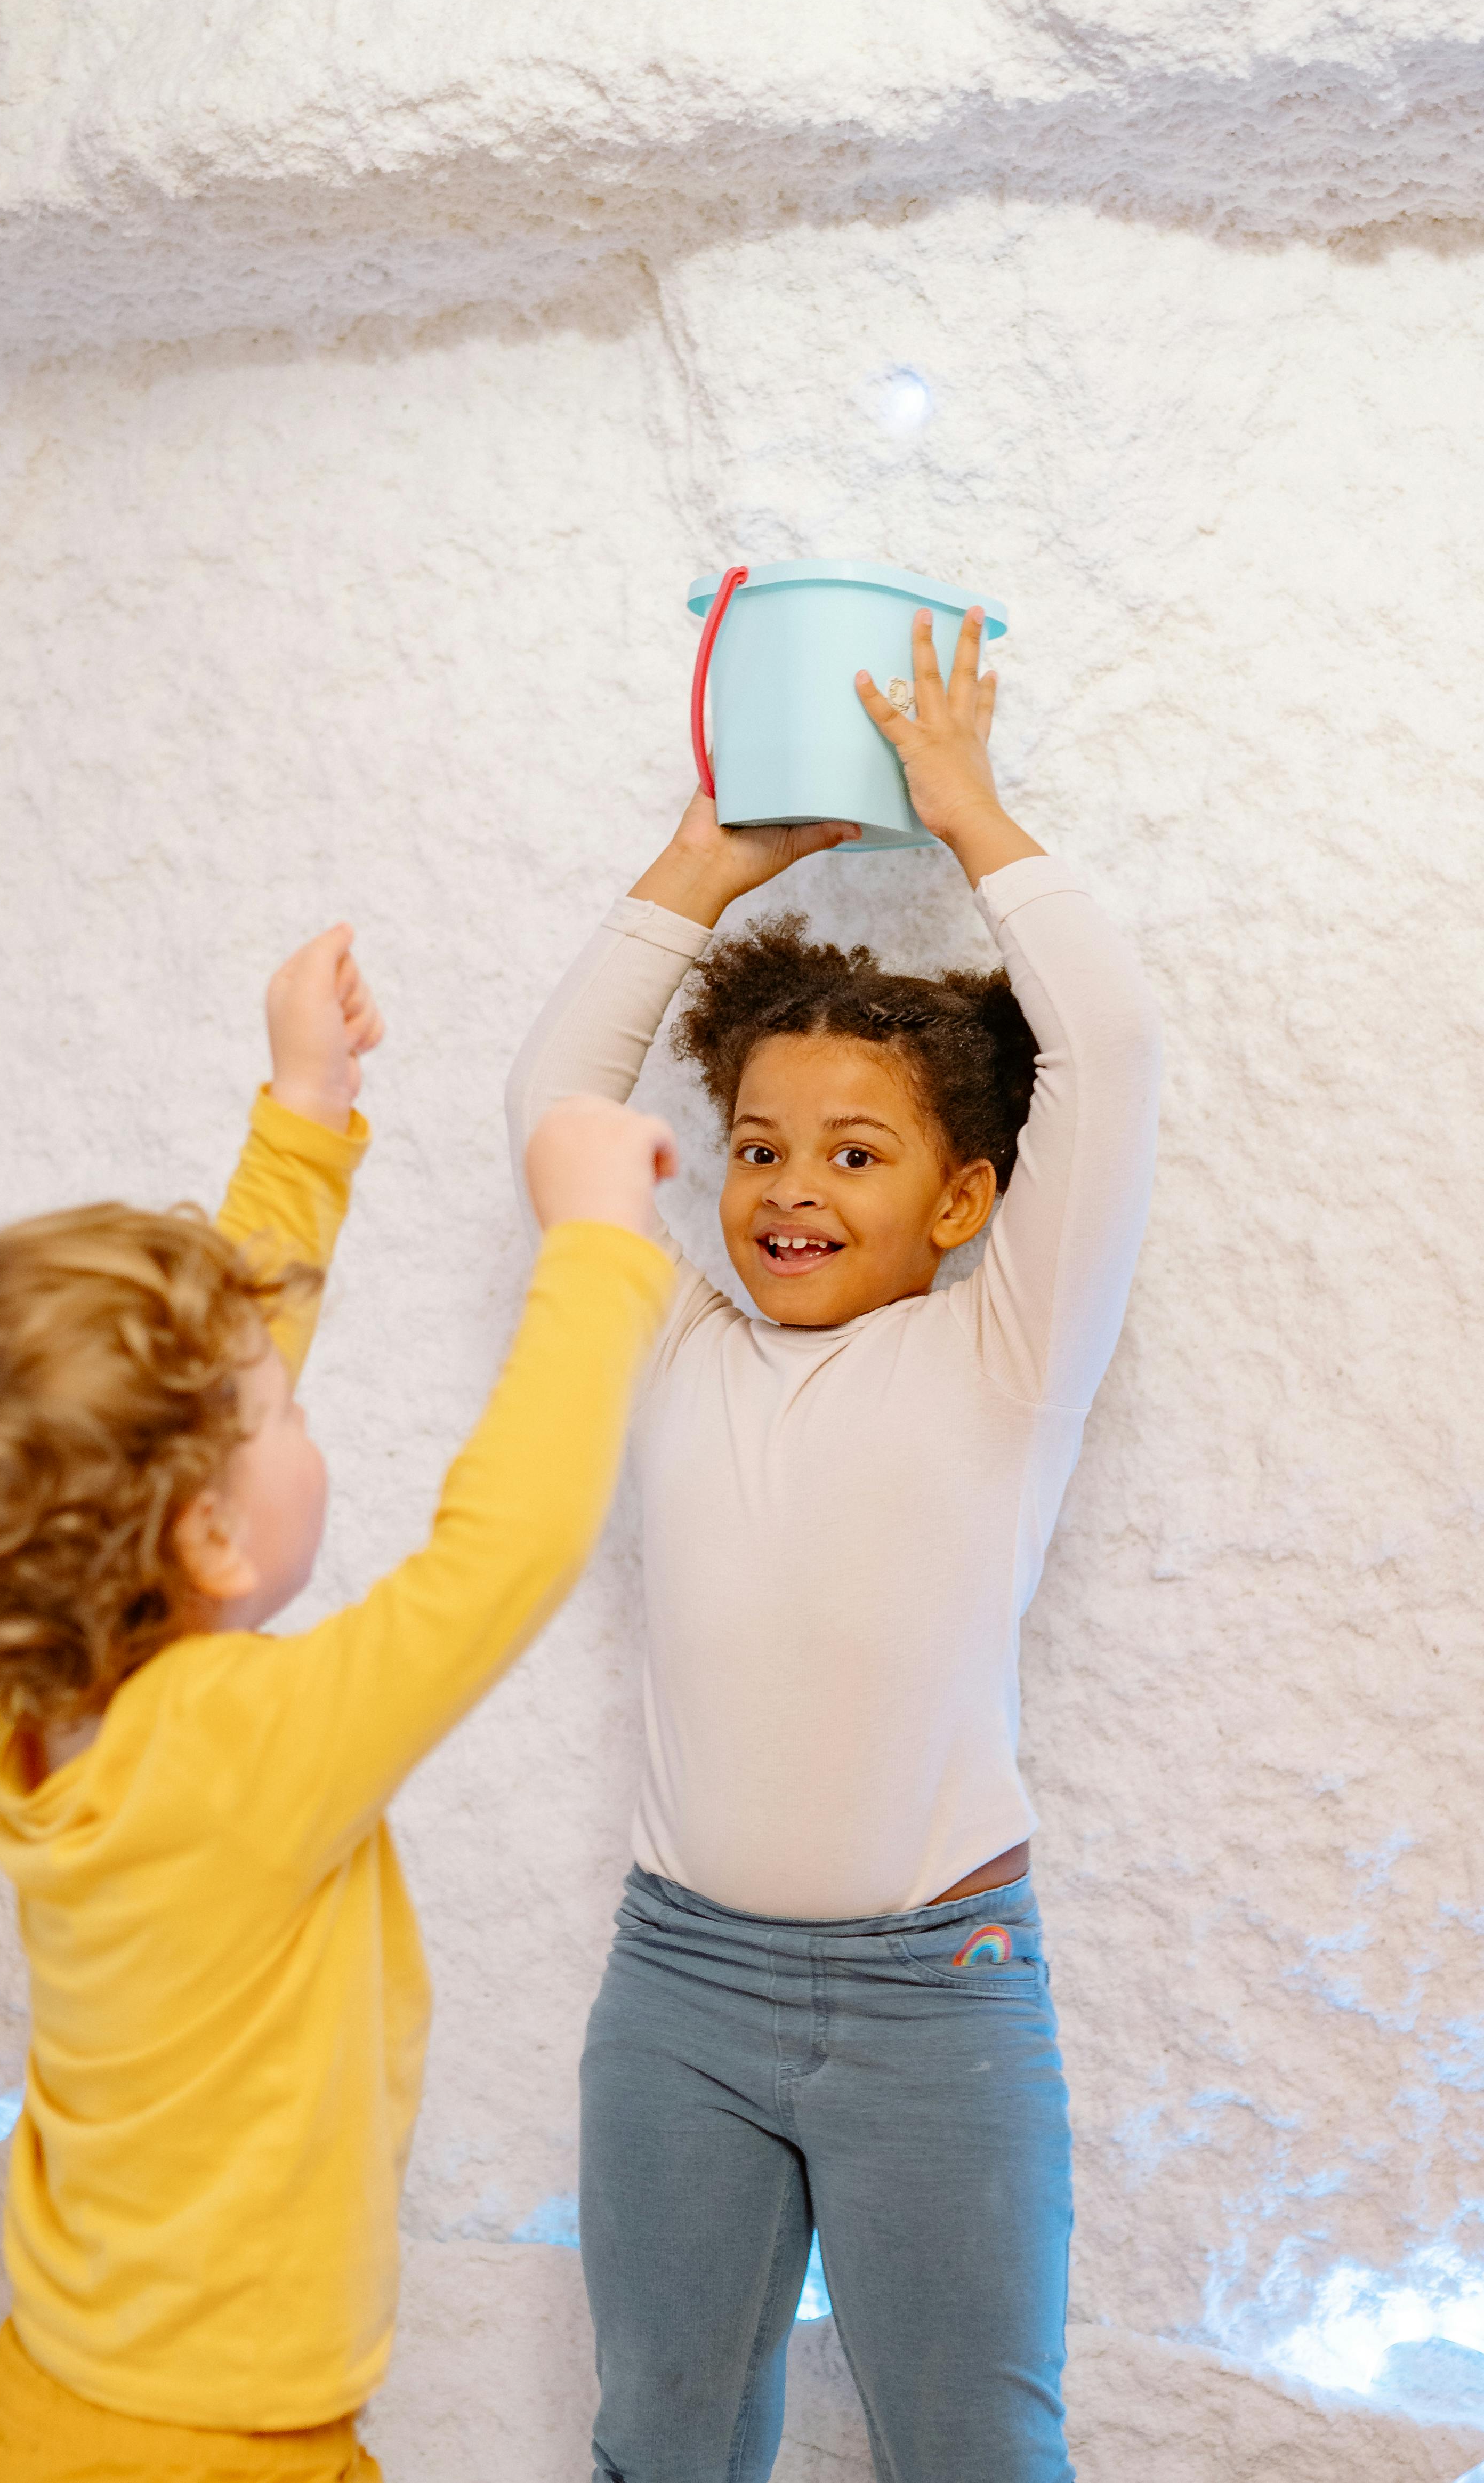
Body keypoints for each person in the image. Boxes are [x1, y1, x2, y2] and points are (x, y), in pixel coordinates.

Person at [0, 921, 676, 2483]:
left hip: (46, 2407)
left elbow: (198, 1372)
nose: (294, 1393)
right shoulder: (240, 1747)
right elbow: (499, 1558)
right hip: (216, 2456)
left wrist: (305, 1109)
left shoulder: (36, 1694)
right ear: (211, 1536)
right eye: (281, 1411)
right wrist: (594, 1245)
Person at [505, 608, 1162, 2483]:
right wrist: (701, 868)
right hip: (677, 1992)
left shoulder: (1003, 1356)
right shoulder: (666, 1345)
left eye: (858, 1155)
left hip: (932, 1999)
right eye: (762, 1147)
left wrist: (967, 810)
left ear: (965, 1197)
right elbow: (555, 1118)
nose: (792, 1187)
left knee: (976, 2453)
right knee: (666, 2440)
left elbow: (1105, 1051)